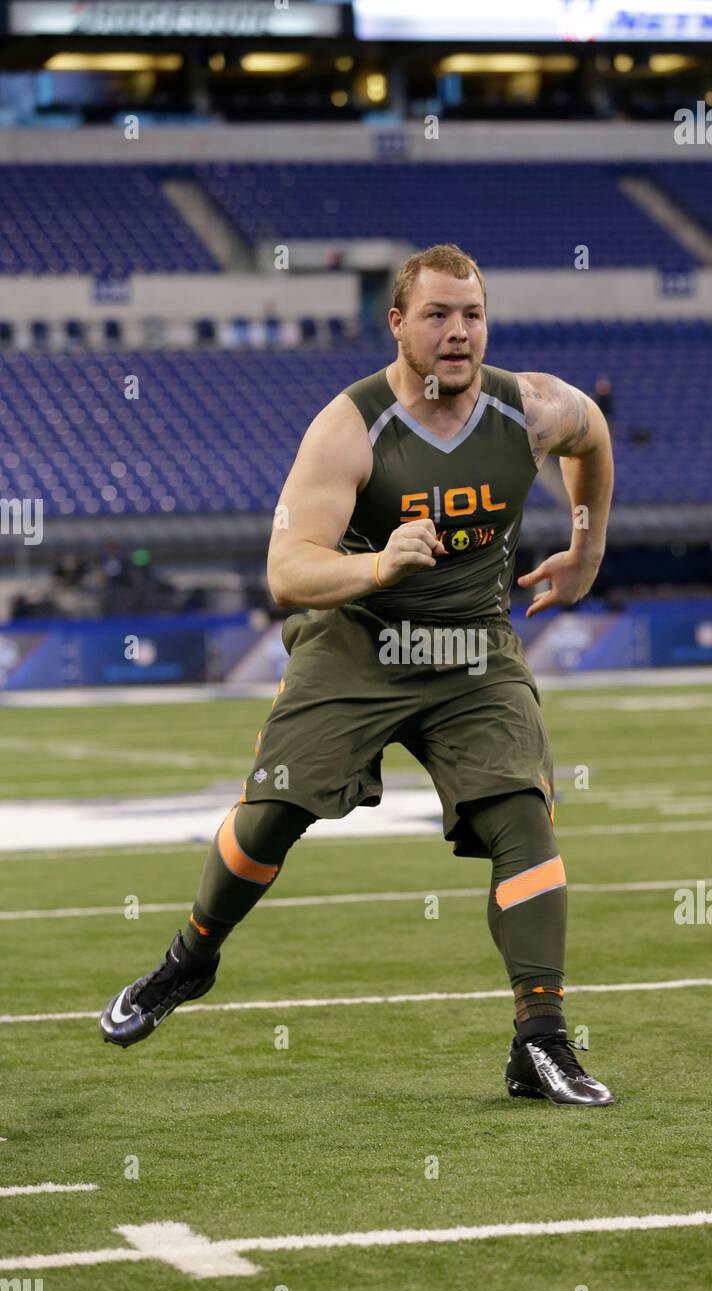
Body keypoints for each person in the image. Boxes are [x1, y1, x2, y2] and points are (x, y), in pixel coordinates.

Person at [100, 244, 616, 1107]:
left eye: (473, 315)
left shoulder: (529, 408)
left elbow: (592, 435)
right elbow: (287, 571)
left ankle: (542, 1041)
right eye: (438, 316)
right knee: (267, 820)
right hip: (359, 640)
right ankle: (190, 959)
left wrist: (586, 550)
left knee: (524, 821)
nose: (459, 333)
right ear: (398, 325)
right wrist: (378, 567)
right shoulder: (349, 425)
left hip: (472, 651)